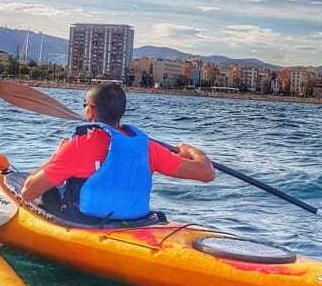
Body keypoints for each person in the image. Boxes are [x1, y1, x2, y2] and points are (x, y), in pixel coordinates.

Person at [20, 81, 215, 221]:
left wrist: (57, 154)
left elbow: (28, 192)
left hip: (87, 221)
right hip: (136, 220)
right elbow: (206, 173)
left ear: (90, 112)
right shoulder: (147, 147)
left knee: (47, 193)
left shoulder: (78, 146)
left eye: (85, 105)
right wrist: (190, 150)